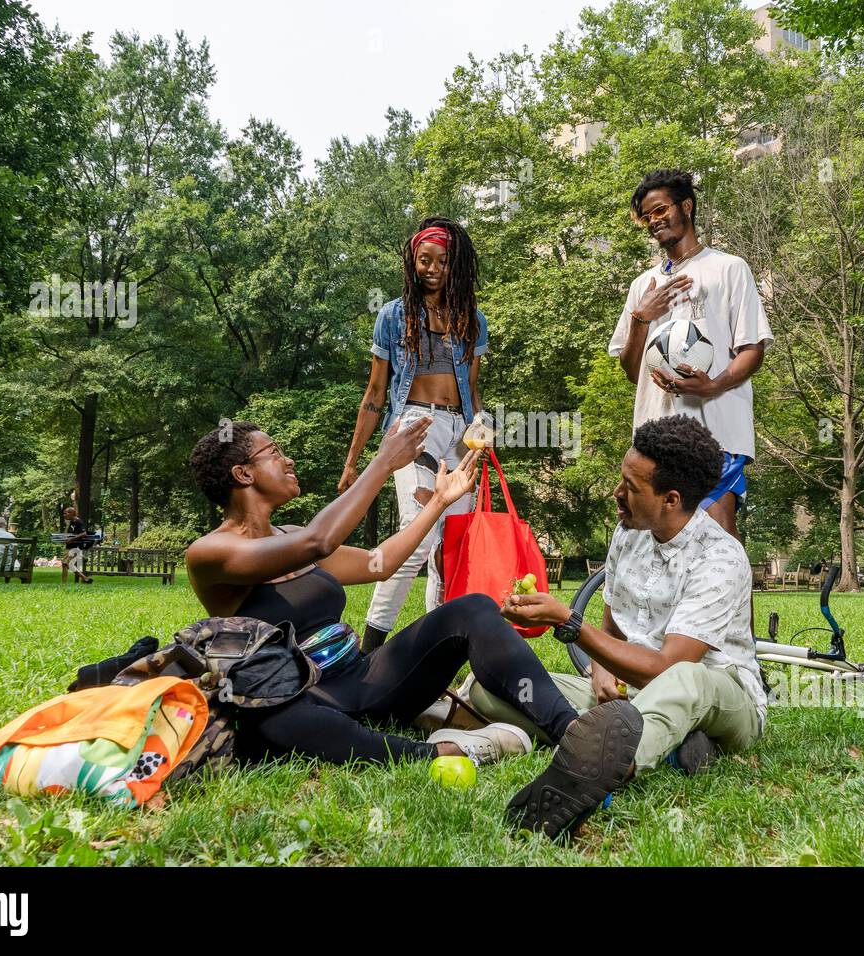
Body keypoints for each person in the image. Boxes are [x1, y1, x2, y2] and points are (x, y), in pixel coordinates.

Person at [185, 419, 583, 770]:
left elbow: (380, 563)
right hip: (304, 698)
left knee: (473, 610)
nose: (288, 460)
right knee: (271, 717)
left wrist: (440, 502)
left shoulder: (290, 535)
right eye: (274, 453)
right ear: (243, 474)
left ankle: (574, 731)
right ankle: (438, 752)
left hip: (365, 679)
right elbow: (319, 541)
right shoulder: (210, 554)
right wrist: (381, 464)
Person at [485, 415, 768, 840]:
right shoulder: (628, 532)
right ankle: (661, 745)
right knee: (490, 685)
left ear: (671, 499)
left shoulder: (721, 559)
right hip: (633, 694)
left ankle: (600, 768)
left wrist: (567, 621)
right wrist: (601, 673)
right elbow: (613, 627)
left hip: (721, 696)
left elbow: (666, 669)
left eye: (631, 488)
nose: (617, 494)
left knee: (690, 681)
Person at [338, 218, 490, 654]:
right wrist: (354, 460)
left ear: (455, 264)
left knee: (453, 541)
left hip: (461, 430)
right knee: (418, 535)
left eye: (443, 261)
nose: (434, 268)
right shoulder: (392, 315)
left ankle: (437, 647)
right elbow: (374, 393)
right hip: (414, 428)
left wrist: (483, 432)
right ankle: (368, 651)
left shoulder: (471, 319)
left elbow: (473, 389)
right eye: (425, 260)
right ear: (412, 262)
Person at [609, 169, 773, 543]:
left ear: (686, 206)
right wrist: (640, 318)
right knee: (642, 547)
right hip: (655, 437)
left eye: (661, 209)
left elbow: (752, 349)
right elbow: (634, 373)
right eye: (647, 216)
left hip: (713, 432)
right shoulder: (642, 287)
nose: (654, 220)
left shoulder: (729, 269)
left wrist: (713, 385)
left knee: (719, 543)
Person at [60, 506, 93, 584]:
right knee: (68, 565)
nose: (64, 515)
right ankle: (85, 579)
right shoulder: (72, 521)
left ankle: (63, 584)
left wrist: (71, 539)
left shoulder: (78, 521)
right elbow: (73, 534)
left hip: (75, 547)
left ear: (71, 513)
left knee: (65, 563)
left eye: (65, 513)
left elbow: (84, 533)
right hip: (69, 547)